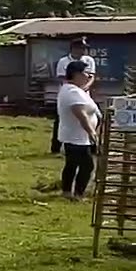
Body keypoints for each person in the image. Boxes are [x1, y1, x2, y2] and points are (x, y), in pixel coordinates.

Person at [57, 60, 100, 200]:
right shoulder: (72, 92)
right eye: (85, 74)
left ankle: (67, 191)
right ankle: (78, 194)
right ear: (76, 74)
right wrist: (91, 132)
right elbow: (80, 114)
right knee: (87, 166)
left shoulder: (74, 90)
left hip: (75, 135)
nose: (88, 77)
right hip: (77, 136)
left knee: (72, 164)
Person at [51, 39, 96, 154]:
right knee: (64, 119)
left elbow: (91, 77)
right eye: (81, 48)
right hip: (69, 94)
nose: (83, 50)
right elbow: (62, 78)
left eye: (84, 48)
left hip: (84, 93)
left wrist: (83, 88)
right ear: (74, 48)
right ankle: (57, 146)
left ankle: (92, 145)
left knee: (90, 117)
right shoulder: (63, 61)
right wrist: (75, 88)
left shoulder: (88, 60)